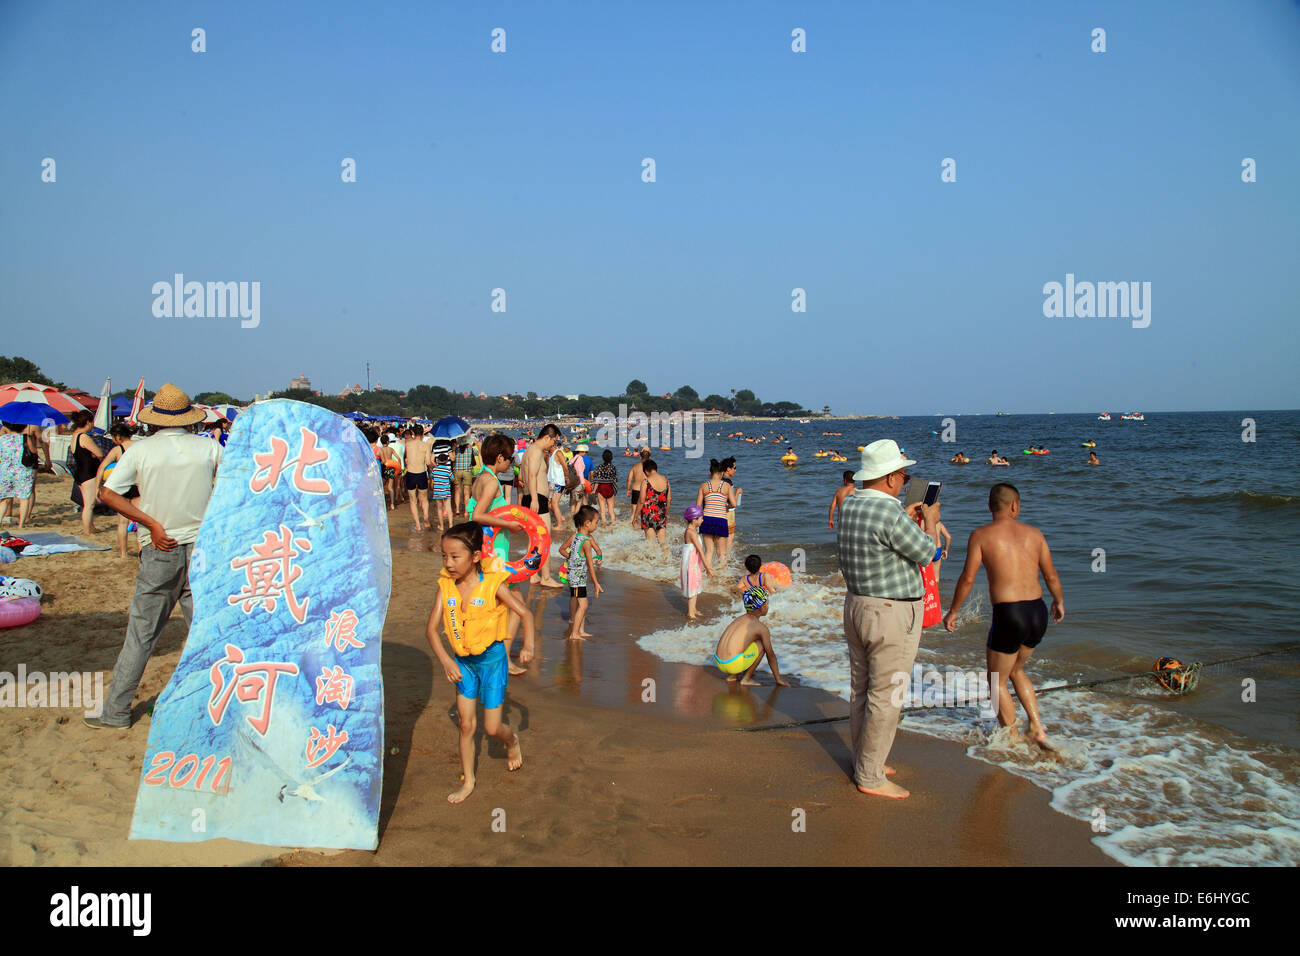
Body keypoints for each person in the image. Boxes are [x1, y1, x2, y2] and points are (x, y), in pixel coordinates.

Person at [86, 384, 222, 730]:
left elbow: (107, 495)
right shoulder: (209, 448)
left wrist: (151, 524)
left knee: (141, 636)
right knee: (207, 634)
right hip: (203, 552)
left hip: (159, 548)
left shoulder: (141, 451)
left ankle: (116, 712)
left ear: (155, 420)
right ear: (189, 418)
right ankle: (218, 708)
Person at [835, 439, 940, 799]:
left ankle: (867, 760)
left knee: (861, 689)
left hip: (857, 605)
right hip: (891, 612)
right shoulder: (890, 513)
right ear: (892, 478)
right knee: (887, 694)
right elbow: (927, 553)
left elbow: (881, 540)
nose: (904, 479)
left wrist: (907, 518)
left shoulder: (850, 504)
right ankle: (870, 775)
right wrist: (931, 521)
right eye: (903, 474)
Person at [943, 483, 1064, 748]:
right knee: (1017, 669)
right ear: (1015, 506)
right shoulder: (1035, 534)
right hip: (1037, 611)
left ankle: (1011, 737)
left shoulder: (981, 535)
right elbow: (1051, 574)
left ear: (990, 506)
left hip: (1010, 614)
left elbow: (967, 579)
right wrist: (1059, 601)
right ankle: (1036, 727)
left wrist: (953, 611)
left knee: (995, 680)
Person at [426, 522, 534, 804]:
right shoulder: (446, 587)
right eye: (444, 556)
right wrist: (447, 662)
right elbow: (431, 630)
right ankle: (468, 781)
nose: (448, 563)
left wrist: (529, 646)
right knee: (465, 725)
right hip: (463, 664)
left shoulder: (492, 585)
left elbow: (524, 613)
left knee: (492, 728)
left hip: (492, 663)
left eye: (454, 556)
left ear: (475, 557)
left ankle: (512, 741)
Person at [468, 433, 529, 675]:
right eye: (510, 458)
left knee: (499, 606)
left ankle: (490, 656)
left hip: (487, 551)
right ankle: (502, 661)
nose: (511, 464)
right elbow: (478, 515)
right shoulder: (492, 481)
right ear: (500, 456)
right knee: (516, 606)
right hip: (493, 554)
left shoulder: (481, 477)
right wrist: (508, 525)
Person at [714, 586, 788, 686]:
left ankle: (732, 676)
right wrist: (778, 679)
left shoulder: (738, 619)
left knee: (746, 642)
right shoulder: (760, 627)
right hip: (731, 664)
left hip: (719, 662)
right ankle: (746, 678)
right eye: (766, 603)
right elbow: (770, 655)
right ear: (762, 606)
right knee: (761, 644)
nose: (767, 606)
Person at [519, 424, 564, 588]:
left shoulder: (528, 451)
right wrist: (535, 500)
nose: (553, 445)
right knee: (544, 538)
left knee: (534, 539)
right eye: (553, 441)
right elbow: (531, 475)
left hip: (529, 496)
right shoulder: (537, 451)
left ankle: (533, 574)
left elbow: (523, 477)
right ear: (547, 437)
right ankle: (545, 577)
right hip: (536, 498)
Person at [559, 505, 602, 639]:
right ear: (587, 523)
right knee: (583, 605)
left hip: (573, 576)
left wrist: (572, 558)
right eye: (596, 522)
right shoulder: (586, 542)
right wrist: (596, 583)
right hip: (578, 578)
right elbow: (589, 565)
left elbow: (561, 549)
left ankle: (581, 630)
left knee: (579, 602)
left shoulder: (575, 536)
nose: (597, 525)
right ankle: (574, 633)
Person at [96, 423, 139, 557]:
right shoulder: (139, 446)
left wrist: (98, 487)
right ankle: (141, 551)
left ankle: (123, 553)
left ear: (118, 437)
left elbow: (102, 468)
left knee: (122, 522)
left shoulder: (117, 450)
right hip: (139, 486)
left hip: (122, 488)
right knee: (141, 522)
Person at [695, 459, 737, 568]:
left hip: (707, 519)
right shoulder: (726, 486)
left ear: (710, 472)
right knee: (721, 552)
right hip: (721, 520)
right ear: (722, 473)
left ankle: (707, 574)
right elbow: (734, 504)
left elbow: (698, 506)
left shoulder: (703, 486)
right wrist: (725, 506)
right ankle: (722, 577)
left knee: (709, 551)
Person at [68, 410, 105, 536]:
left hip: (80, 473)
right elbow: (99, 453)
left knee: (87, 503)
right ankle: (87, 531)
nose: (93, 425)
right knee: (89, 504)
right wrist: (94, 454)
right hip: (88, 473)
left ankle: (91, 527)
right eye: (92, 422)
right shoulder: (84, 437)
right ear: (88, 422)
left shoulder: (75, 435)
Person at [0, 421, 38, 529]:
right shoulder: (25, 438)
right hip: (23, 471)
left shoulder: (3, 438)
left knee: (5, 499)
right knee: (23, 498)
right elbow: (34, 451)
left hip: (6, 471)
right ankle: (21, 524)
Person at [680, 504, 713, 620]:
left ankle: (693, 609)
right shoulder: (691, 533)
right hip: (691, 563)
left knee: (695, 585)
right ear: (694, 520)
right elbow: (700, 551)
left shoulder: (692, 530)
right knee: (692, 588)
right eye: (701, 518)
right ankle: (690, 613)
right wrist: (708, 567)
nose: (702, 520)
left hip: (693, 562)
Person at [636, 458, 670, 550]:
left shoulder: (646, 482)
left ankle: (652, 562)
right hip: (661, 513)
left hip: (648, 514)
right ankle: (667, 561)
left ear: (646, 471)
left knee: (651, 543)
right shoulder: (666, 481)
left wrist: (635, 515)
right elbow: (669, 499)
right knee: (663, 541)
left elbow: (641, 500)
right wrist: (665, 513)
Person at [404, 424, 431, 531]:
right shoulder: (425, 446)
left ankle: (418, 525)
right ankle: (425, 517)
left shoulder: (408, 444)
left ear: (413, 433)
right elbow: (428, 462)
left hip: (410, 473)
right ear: (423, 433)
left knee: (413, 501)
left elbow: (406, 458)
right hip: (421, 473)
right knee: (424, 499)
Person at [590, 449, 618, 525]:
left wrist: (594, 490)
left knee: (602, 510)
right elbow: (615, 480)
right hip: (610, 489)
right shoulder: (613, 467)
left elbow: (597, 480)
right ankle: (613, 525)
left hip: (601, 488)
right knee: (611, 510)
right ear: (611, 458)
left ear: (603, 457)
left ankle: (604, 524)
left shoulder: (599, 467)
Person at [452, 436, 477, 517]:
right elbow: (478, 452)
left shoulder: (456, 450)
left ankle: (457, 510)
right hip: (467, 471)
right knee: (466, 493)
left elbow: (452, 458)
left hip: (457, 471)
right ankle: (466, 511)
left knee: (457, 491)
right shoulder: (470, 449)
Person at [626, 446, 650, 525]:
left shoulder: (635, 466)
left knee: (633, 512)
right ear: (649, 457)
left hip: (635, 490)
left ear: (640, 457)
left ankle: (632, 527)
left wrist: (628, 490)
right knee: (646, 512)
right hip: (645, 491)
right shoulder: (650, 467)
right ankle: (645, 528)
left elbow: (629, 479)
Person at [721, 457, 741, 533]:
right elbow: (732, 504)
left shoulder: (718, 480)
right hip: (728, 514)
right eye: (734, 468)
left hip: (717, 514)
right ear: (728, 469)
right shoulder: (728, 483)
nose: (735, 470)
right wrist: (737, 493)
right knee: (729, 540)